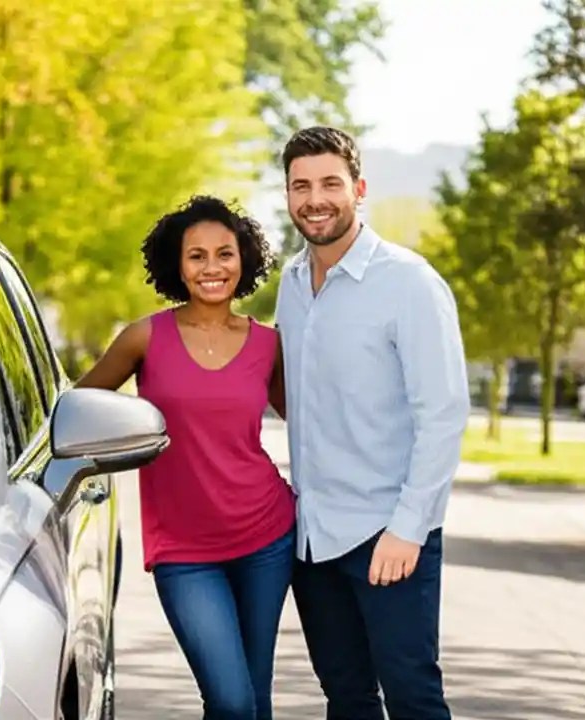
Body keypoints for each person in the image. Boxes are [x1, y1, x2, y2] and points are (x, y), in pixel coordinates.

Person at [273, 125, 470, 720]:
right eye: (300, 186)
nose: (315, 198)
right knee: (348, 698)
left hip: (388, 534)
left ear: (359, 189)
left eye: (330, 183)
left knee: (413, 698)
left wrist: (409, 528)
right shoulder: (289, 282)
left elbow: (443, 413)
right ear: (286, 196)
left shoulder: (408, 281)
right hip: (313, 536)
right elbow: (301, 396)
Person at [77, 195, 296, 720]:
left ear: (244, 259)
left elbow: (312, 427)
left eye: (225, 253)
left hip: (266, 536)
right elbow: (78, 411)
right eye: (197, 256)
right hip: (183, 550)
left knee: (254, 698)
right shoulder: (144, 338)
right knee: (230, 699)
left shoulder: (270, 345)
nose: (212, 267)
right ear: (177, 264)